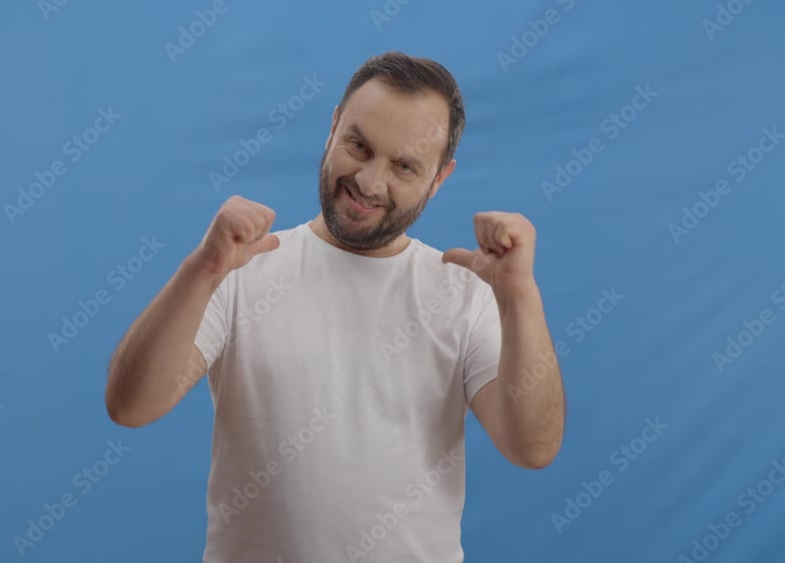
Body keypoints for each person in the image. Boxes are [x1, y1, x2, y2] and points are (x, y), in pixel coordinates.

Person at [105, 51, 566, 562]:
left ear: (439, 179)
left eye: (404, 166)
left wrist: (521, 296)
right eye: (359, 146)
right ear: (332, 128)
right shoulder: (239, 268)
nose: (369, 182)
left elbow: (533, 447)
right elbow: (130, 406)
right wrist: (202, 269)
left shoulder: (467, 293)